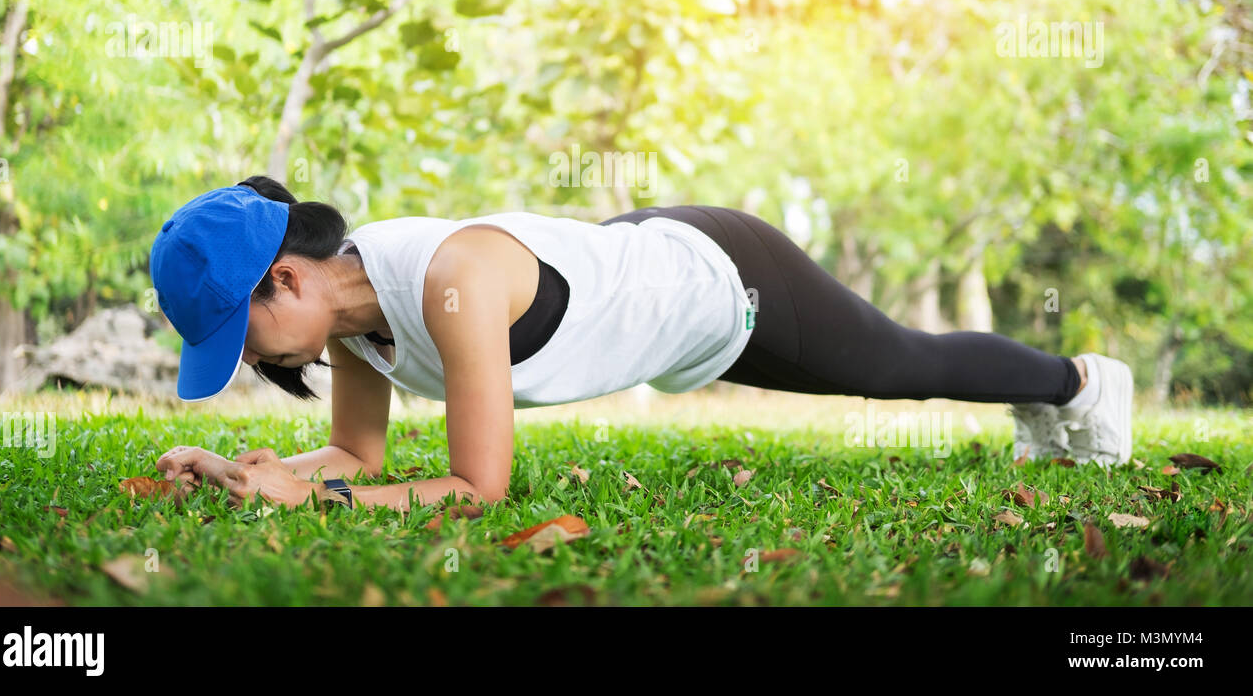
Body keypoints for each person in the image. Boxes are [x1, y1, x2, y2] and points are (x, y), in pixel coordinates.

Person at [150, 176, 1133, 513]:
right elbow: (358, 459)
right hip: (672, 322)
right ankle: (1055, 396)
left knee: (895, 367)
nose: (247, 358)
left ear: (285, 277)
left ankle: (1078, 382)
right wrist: (250, 471)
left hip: (722, 279)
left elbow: (474, 488)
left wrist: (317, 500)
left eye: (241, 332)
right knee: (891, 364)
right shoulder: (356, 320)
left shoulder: (446, 279)